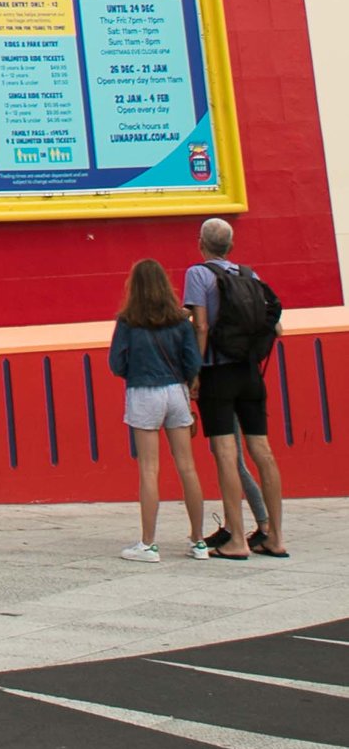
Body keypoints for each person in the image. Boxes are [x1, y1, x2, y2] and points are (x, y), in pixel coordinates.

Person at [184, 216, 286, 560]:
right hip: (250, 372)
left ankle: (237, 539)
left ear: (201, 243)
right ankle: (275, 537)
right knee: (263, 451)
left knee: (226, 453)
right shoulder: (249, 274)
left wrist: (194, 371)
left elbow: (200, 324)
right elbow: (276, 324)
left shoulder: (198, 274)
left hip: (217, 371)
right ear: (231, 246)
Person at [108, 260, 208, 560]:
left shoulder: (128, 321)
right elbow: (192, 362)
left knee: (149, 470)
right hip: (176, 392)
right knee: (187, 467)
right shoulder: (180, 321)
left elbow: (116, 363)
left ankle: (149, 543)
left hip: (143, 392)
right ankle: (199, 540)